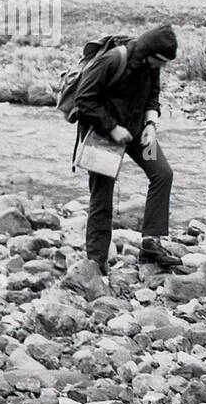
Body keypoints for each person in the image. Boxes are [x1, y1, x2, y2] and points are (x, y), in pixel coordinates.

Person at [74, 23, 182, 275]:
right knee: (102, 197)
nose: (162, 67)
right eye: (160, 61)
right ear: (148, 51)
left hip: (137, 133)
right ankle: (96, 262)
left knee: (162, 173)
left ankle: (150, 243)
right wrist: (112, 128)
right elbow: (84, 99)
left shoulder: (150, 65)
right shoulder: (113, 60)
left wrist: (151, 124)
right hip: (105, 135)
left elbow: (153, 94)